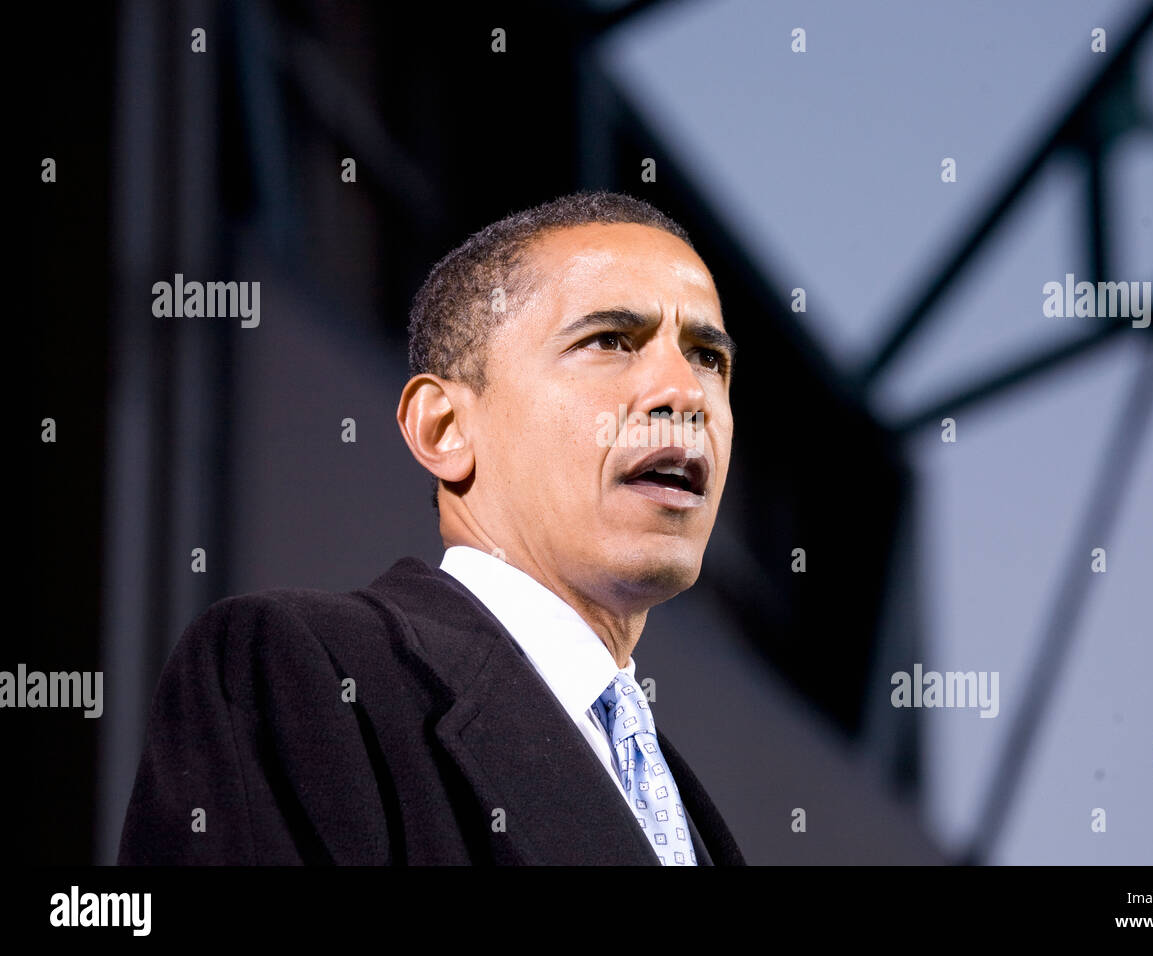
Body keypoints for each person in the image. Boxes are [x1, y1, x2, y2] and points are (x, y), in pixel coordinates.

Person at [118, 190, 745, 865]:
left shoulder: (687, 807)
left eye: (708, 357)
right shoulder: (300, 673)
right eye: (610, 341)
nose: (684, 394)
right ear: (444, 429)